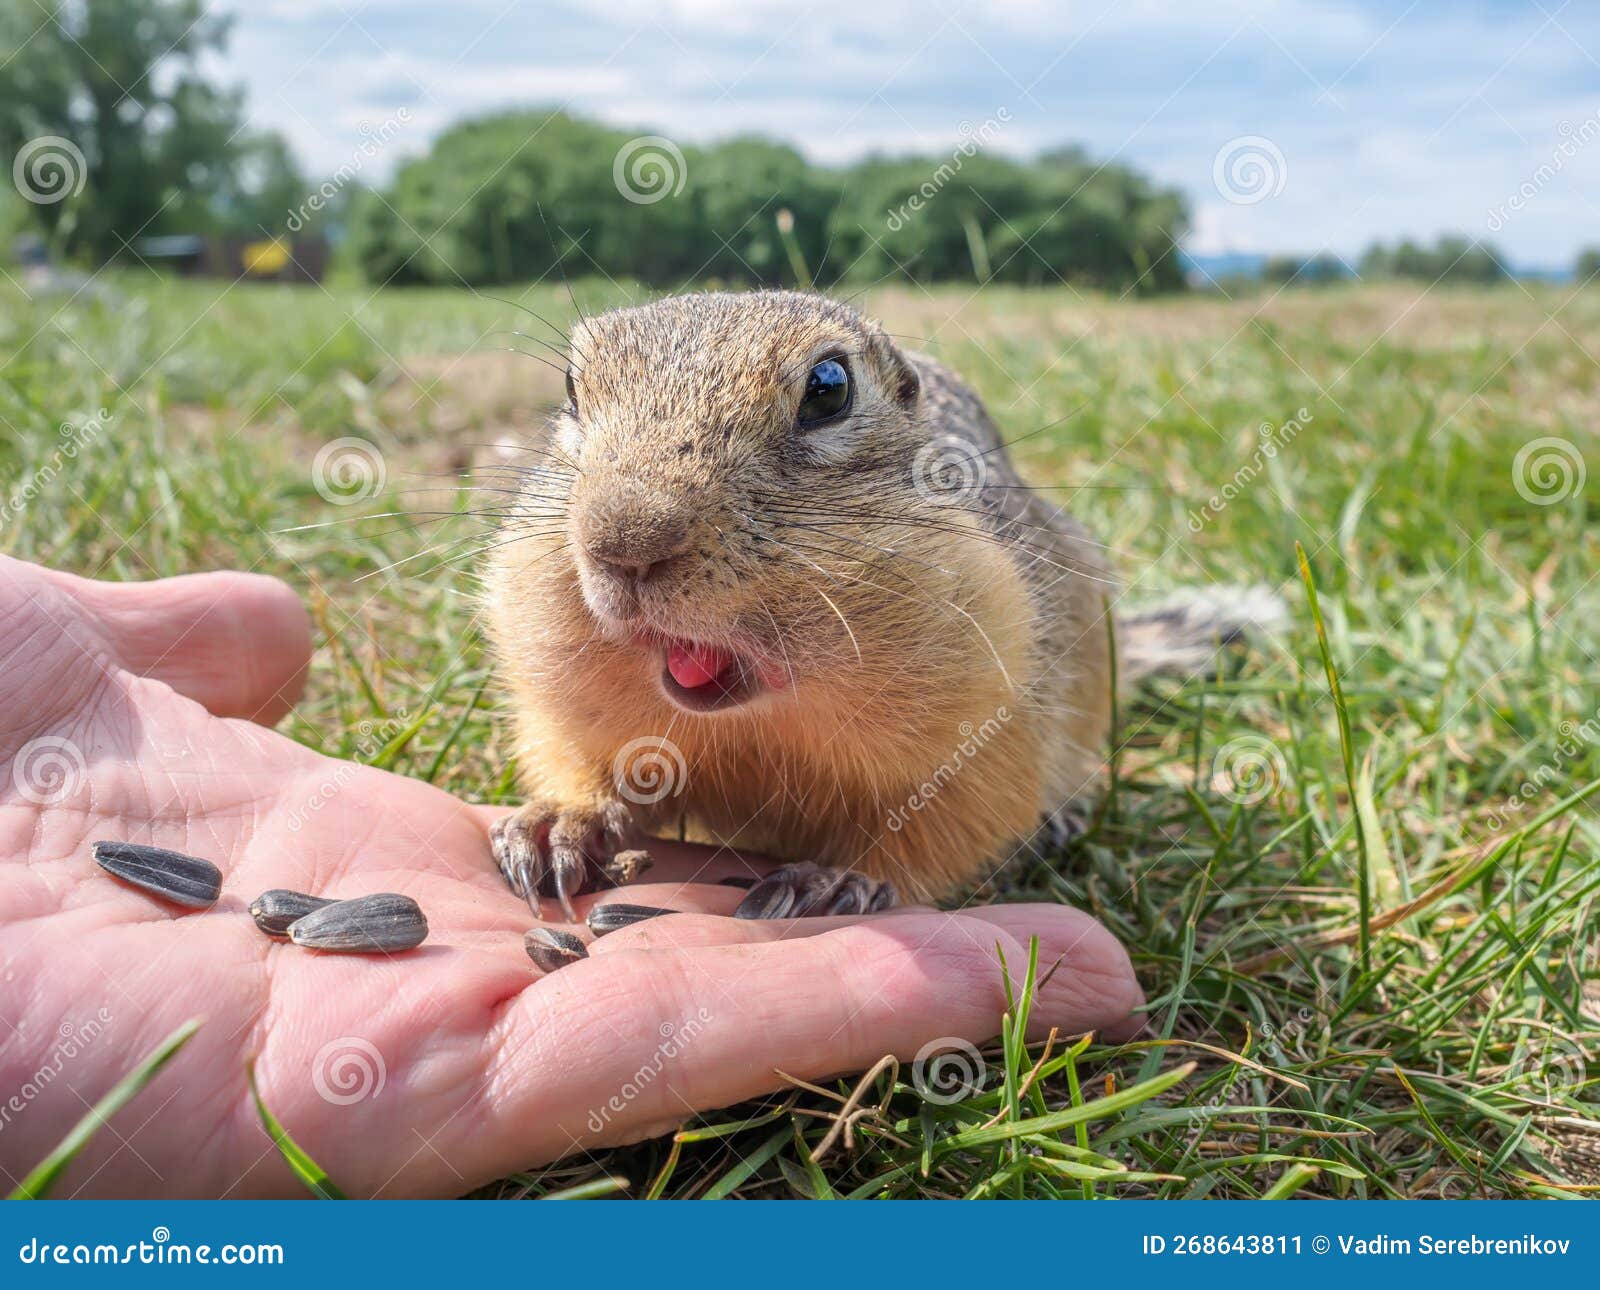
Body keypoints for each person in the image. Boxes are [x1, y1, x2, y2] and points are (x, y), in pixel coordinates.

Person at [0, 555, 1142, 1197]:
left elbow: (981, 775)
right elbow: (565, 715)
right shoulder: (573, 563)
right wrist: (584, 806)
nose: (629, 533)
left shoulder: (956, 598)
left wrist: (873, 871)